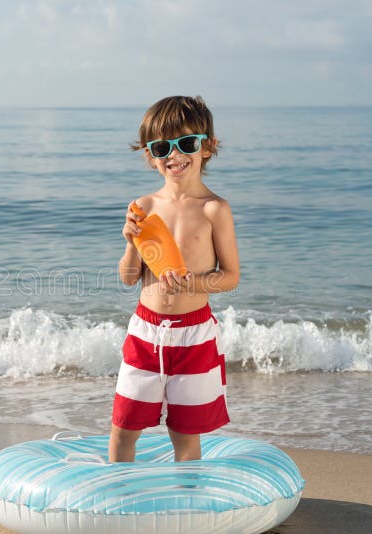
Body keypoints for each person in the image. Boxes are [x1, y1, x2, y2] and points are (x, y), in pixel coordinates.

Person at [109, 95, 240, 462]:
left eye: (186, 143)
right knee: (124, 428)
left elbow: (230, 277)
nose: (174, 155)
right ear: (150, 156)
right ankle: (120, 501)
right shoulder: (144, 207)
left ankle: (186, 506)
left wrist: (195, 284)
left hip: (194, 334)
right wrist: (130, 242)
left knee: (184, 434)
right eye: (162, 147)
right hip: (145, 332)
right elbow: (128, 277)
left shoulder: (214, 210)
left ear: (207, 148)